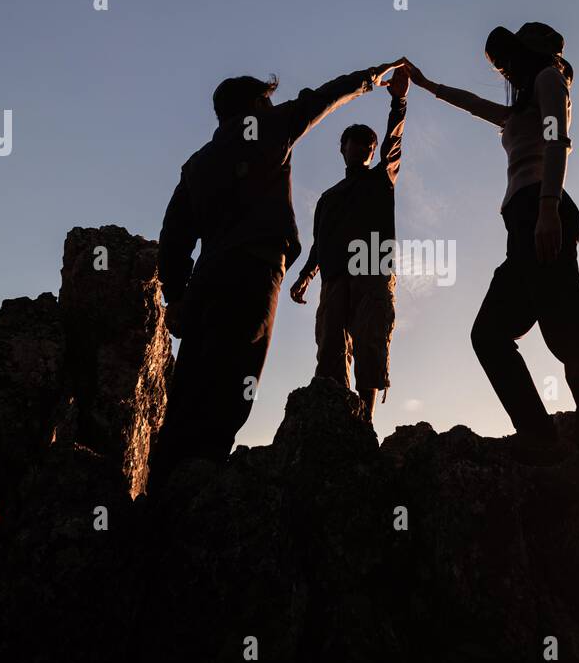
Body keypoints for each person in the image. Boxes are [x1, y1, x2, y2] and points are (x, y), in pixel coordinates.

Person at [154, 57, 403, 468]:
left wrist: (176, 296)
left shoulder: (196, 164)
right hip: (254, 274)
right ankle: (203, 476)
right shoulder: (268, 128)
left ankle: (165, 482)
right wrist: (373, 77)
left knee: (192, 381)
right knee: (237, 378)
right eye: (266, 101)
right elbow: (323, 97)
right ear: (254, 104)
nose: (272, 106)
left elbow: (174, 237)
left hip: (207, 280)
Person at [404, 24, 579, 458]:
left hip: (544, 209)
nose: (505, 70)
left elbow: (557, 139)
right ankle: (541, 438)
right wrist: (427, 85)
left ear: (531, 53)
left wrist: (546, 208)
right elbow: (475, 105)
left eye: (509, 60)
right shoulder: (520, 105)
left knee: (566, 328)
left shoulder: (548, 79)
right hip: (522, 220)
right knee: (489, 334)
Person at [289, 66, 409, 422]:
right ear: (343, 148)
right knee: (329, 345)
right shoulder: (328, 198)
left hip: (371, 266)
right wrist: (307, 276)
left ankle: (366, 422)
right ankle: (336, 416)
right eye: (356, 142)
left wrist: (399, 103)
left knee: (370, 340)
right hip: (335, 276)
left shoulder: (381, 179)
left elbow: (394, 143)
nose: (364, 148)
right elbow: (319, 242)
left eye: (369, 145)